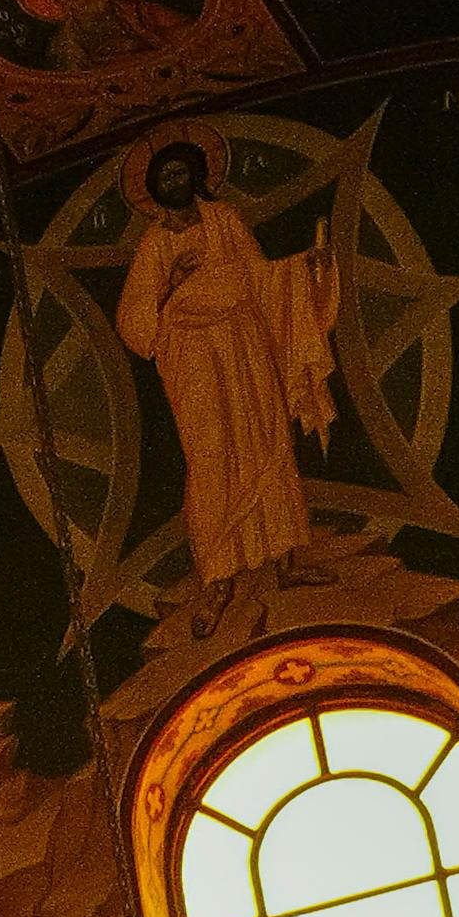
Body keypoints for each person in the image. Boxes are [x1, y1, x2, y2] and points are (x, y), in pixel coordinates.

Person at [111, 135, 345, 586]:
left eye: (180, 172)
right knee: (211, 457)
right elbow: (134, 322)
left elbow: (259, 278)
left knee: (266, 439)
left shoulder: (224, 219)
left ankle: (285, 564)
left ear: (197, 175)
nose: (174, 181)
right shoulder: (153, 245)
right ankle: (219, 582)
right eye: (164, 176)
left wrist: (305, 266)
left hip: (242, 341)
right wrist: (171, 283)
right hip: (192, 357)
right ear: (154, 189)